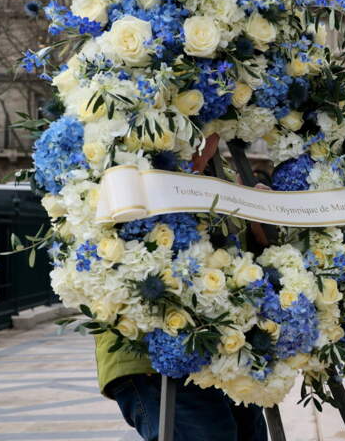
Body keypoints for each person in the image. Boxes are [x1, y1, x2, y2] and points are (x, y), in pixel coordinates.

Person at [95, 134, 269, 441]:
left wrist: (262, 226)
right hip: (154, 360)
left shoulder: (223, 171)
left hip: (224, 356)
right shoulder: (133, 152)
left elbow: (236, 256)